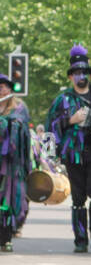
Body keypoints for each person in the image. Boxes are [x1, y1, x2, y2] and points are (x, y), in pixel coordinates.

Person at [45, 45, 91, 253]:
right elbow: (50, 128)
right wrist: (70, 120)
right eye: (77, 73)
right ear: (71, 77)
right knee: (78, 199)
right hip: (73, 155)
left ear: (89, 75)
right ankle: (80, 239)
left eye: (84, 72)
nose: (81, 76)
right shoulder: (62, 100)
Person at [0, 73, 30, 253]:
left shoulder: (18, 108)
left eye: (4, 86)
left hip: (11, 163)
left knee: (8, 199)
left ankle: (6, 237)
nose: (1, 89)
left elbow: (21, 130)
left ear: (10, 89)